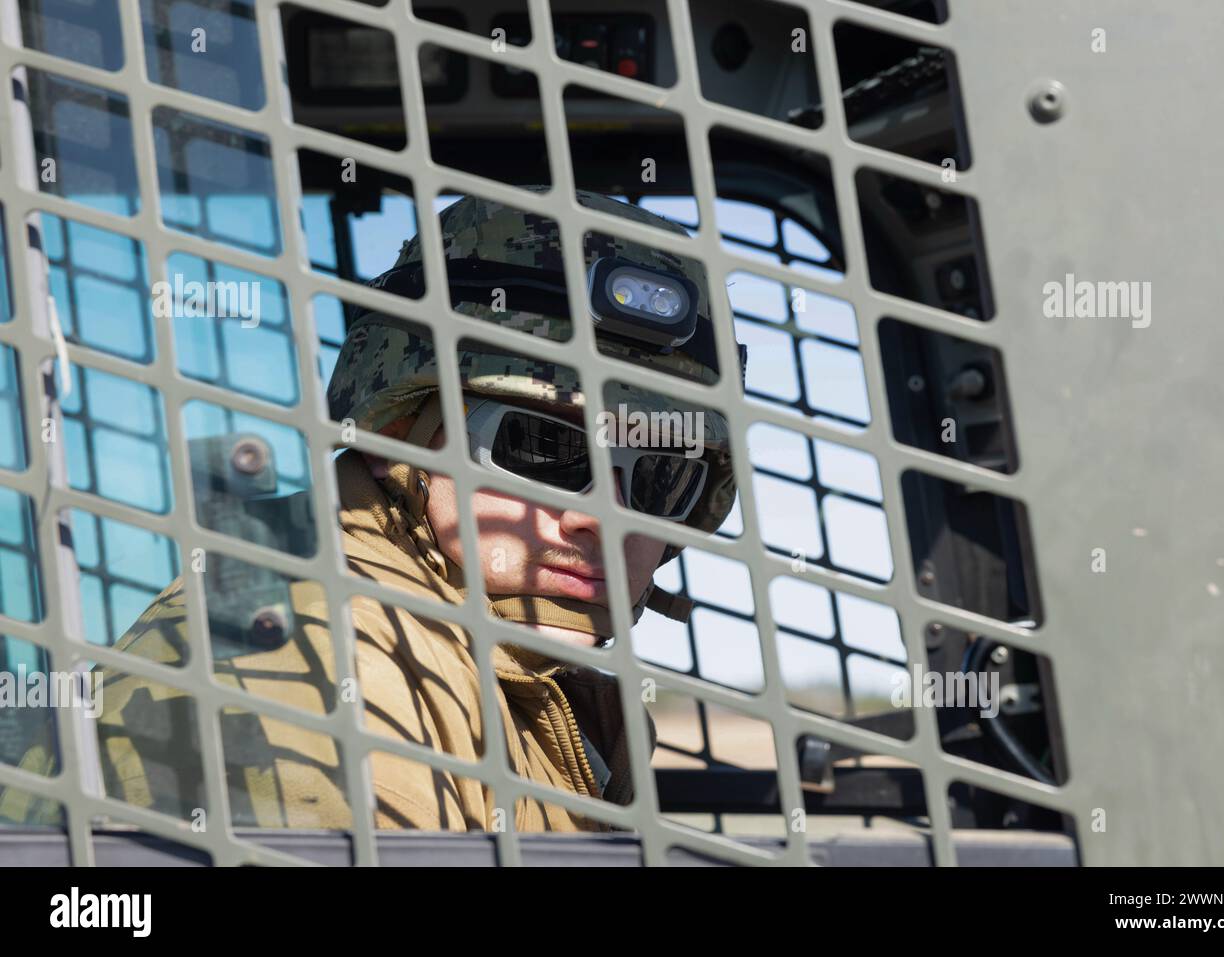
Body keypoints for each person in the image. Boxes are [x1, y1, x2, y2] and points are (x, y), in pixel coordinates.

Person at [0, 191, 742, 833]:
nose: (604, 519)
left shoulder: (509, 666)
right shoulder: (322, 695)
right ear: (398, 434)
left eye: (659, 478)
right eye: (543, 446)